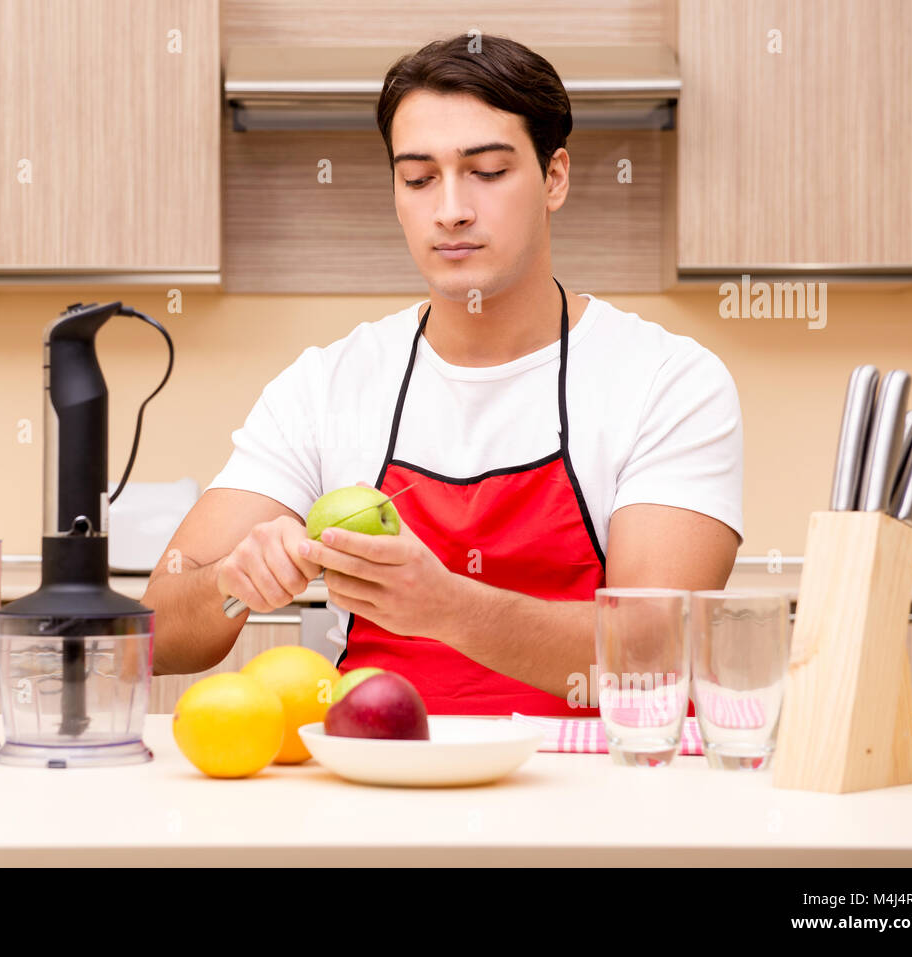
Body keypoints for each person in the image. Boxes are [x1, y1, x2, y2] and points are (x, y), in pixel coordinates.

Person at [144, 34, 742, 716]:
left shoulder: (669, 382)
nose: (450, 209)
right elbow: (157, 626)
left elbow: (654, 649)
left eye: (487, 172)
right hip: (381, 785)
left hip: (595, 798)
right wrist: (232, 580)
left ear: (555, 178)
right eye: (419, 178)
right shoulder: (325, 387)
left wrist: (448, 607)